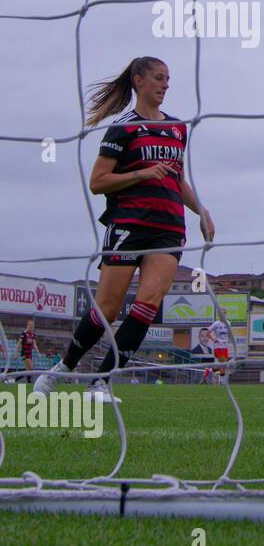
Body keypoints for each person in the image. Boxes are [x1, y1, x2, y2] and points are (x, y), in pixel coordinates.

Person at [35, 57, 216, 401]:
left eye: (168, 79)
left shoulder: (178, 128)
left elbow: (176, 178)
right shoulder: (123, 128)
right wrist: (142, 174)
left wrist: (201, 211)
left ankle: (101, 381)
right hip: (128, 224)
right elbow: (97, 182)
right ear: (138, 81)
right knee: (107, 308)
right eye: (159, 78)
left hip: (168, 226)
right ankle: (59, 371)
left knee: (148, 302)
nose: (165, 85)